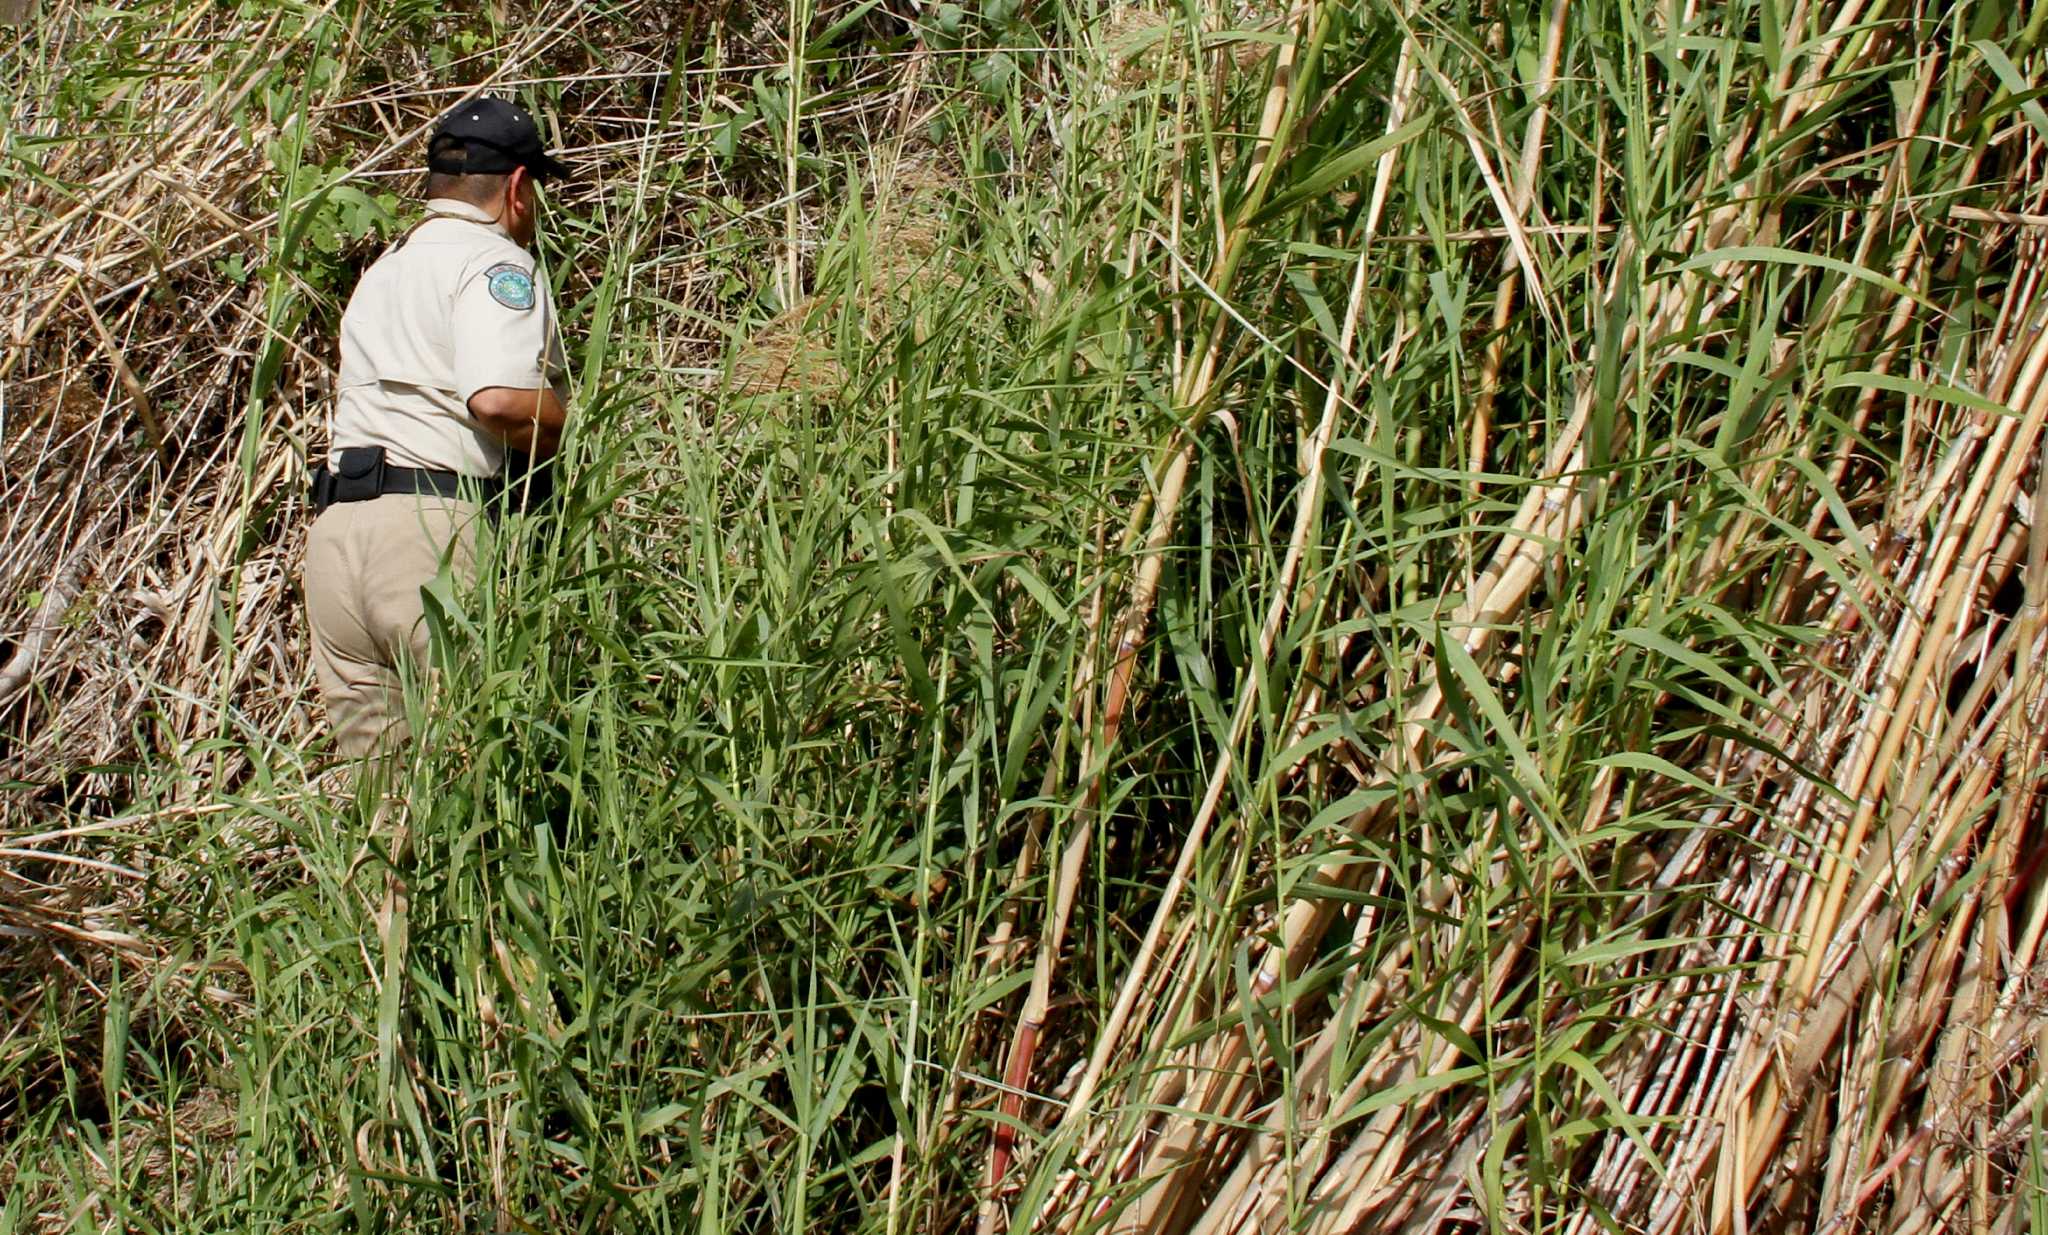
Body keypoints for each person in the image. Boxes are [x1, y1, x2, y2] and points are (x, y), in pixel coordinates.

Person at [303, 96, 572, 758]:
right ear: (517, 186)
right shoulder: (494, 263)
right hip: (430, 538)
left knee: (378, 804)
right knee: (476, 776)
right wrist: (571, 430)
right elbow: (498, 400)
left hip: (337, 540)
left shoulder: (385, 271)